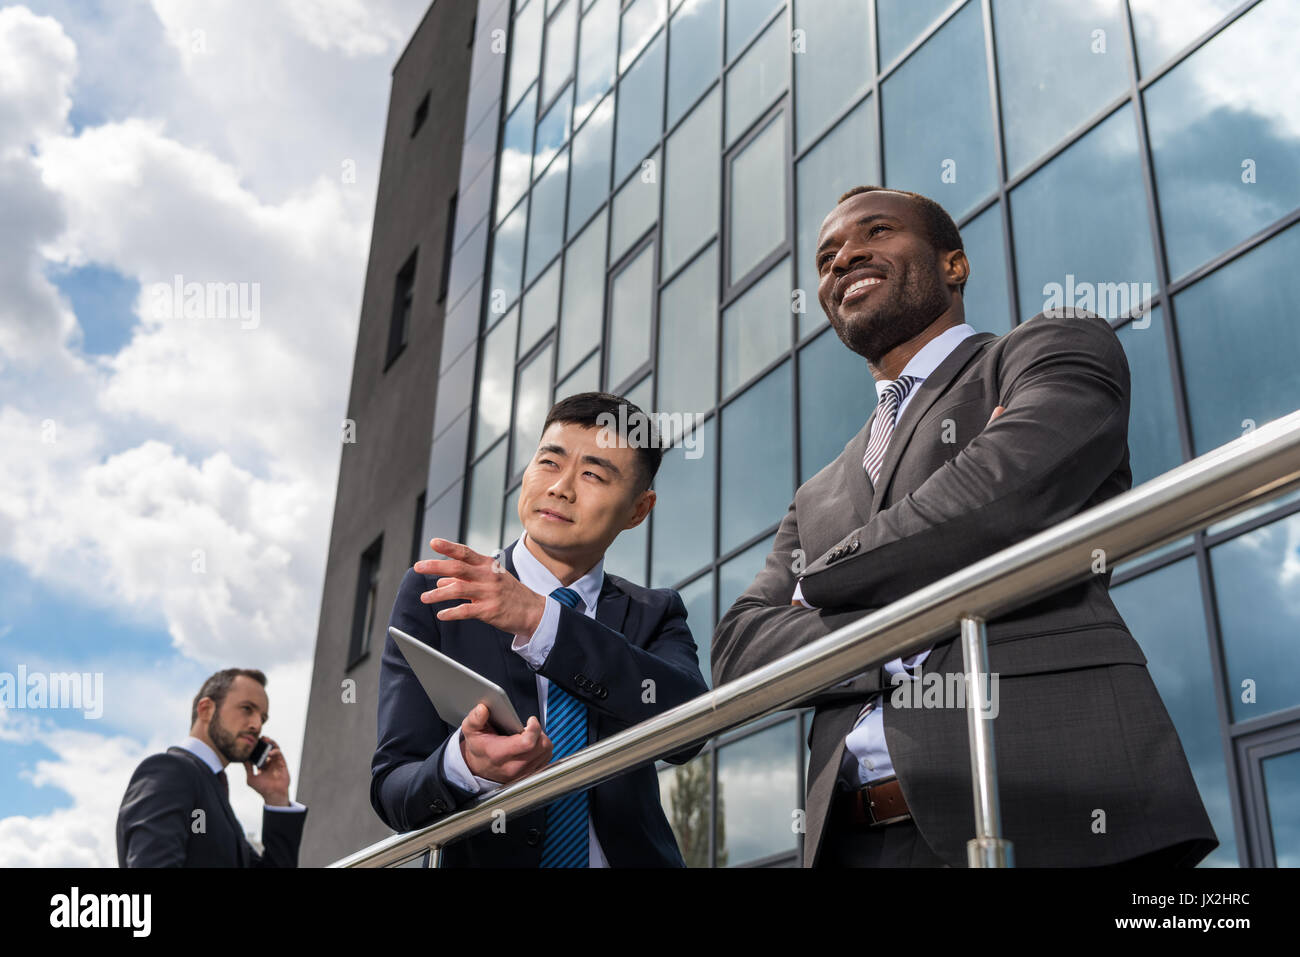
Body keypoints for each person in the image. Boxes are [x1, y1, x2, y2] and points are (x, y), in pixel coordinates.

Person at [712, 185, 1219, 868]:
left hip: (1053, 804)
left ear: (955, 264)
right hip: (856, 840)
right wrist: (900, 608)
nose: (843, 259)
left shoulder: (1047, 345)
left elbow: (1000, 494)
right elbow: (741, 651)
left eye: (877, 232)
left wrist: (819, 581)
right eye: (827, 256)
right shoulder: (817, 493)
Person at [371, 392, 709, 867]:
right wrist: (465, 767)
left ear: (638, 509)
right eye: (549, 462)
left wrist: (540, 620)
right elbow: (393, 789)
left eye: (593, 474)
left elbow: (691, 727)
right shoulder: (443, 591)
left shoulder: (653, 613)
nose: (561, 488)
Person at [116, 668, 307, 867]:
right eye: (247, 709)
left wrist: (277, 799)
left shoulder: (216, 799)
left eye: (263, 719)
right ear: (206, 709)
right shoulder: (169, 770)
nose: (257, 725)